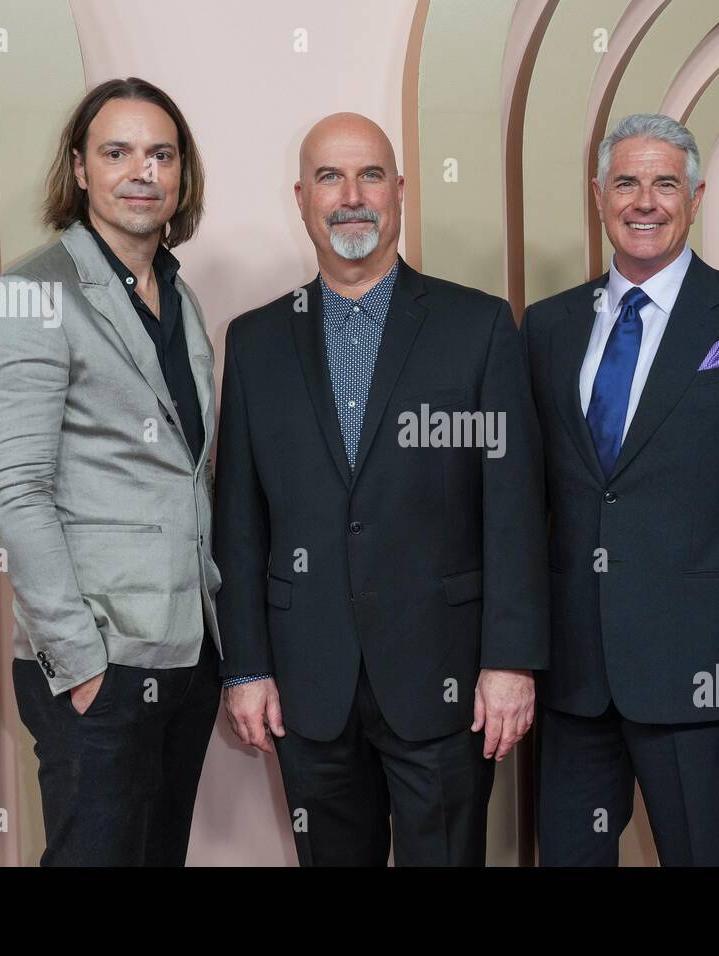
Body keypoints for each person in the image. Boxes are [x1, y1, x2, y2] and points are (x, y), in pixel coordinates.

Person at [213, 112, 548, 866]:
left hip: (448, 680)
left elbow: (514, 508)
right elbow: (237, 519)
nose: (351, 195)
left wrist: (510, 661)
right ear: (302, 198)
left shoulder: (479, 327)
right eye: (330, 177)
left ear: (400, 191)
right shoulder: (256, 341)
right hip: (307, 685)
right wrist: (247, 667)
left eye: (370, 175)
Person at [523, 113, 719, 865]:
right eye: (627, 181)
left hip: (703, 677)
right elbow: (526, 506)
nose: (645, 200)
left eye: (665, 183)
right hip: (572, 677)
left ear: (695, 197)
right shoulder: (547, 326)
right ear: (599, 196)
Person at [0, 77, 221, 866]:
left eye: (160, 153)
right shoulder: (28, 295)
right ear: (80, 170)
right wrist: (80, 663)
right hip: (99, 669)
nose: (141, 171)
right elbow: (16, 493)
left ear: (180, 174)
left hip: (187, 655)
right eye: (116, 152)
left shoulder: (181, 300)